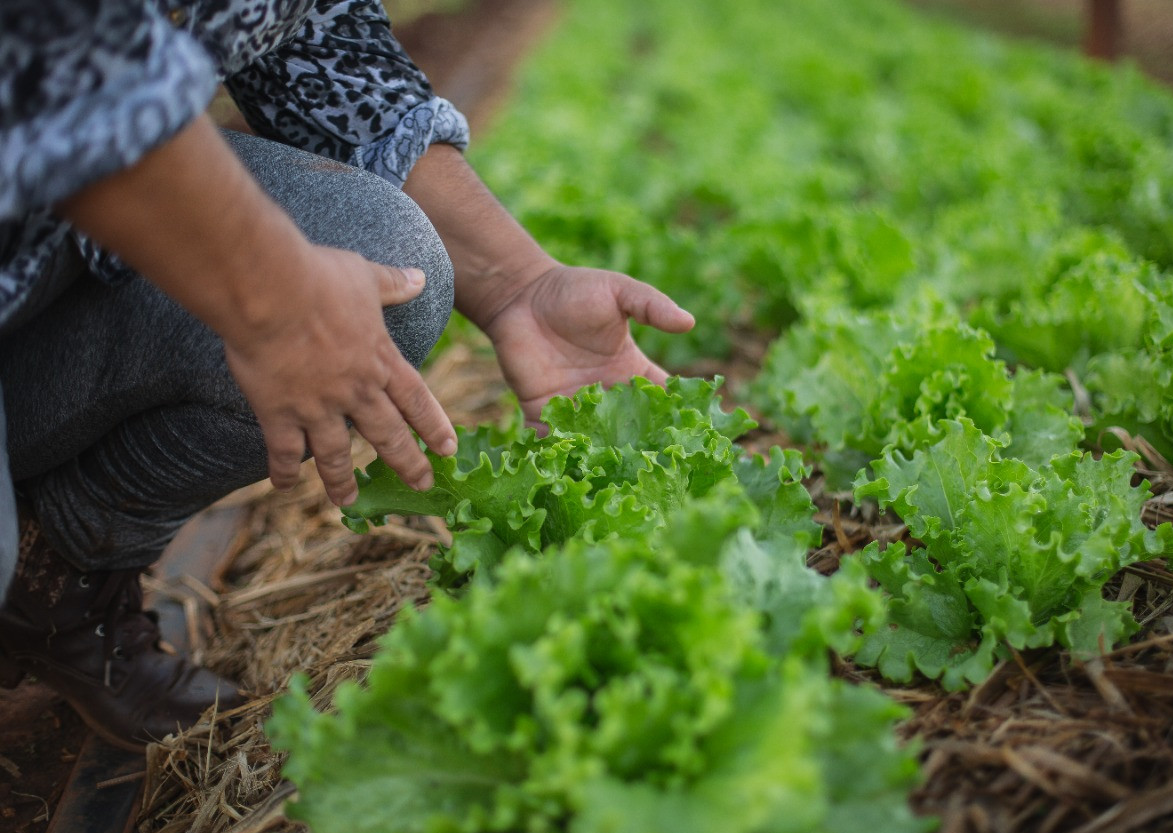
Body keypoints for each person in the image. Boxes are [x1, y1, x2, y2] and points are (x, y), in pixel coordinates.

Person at [0, 0, 695, 752]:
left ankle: (55, 578)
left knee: (390, 265)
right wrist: (275, 296)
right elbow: (55, 61)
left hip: (50, 235)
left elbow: (314, 39)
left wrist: (520, 284)